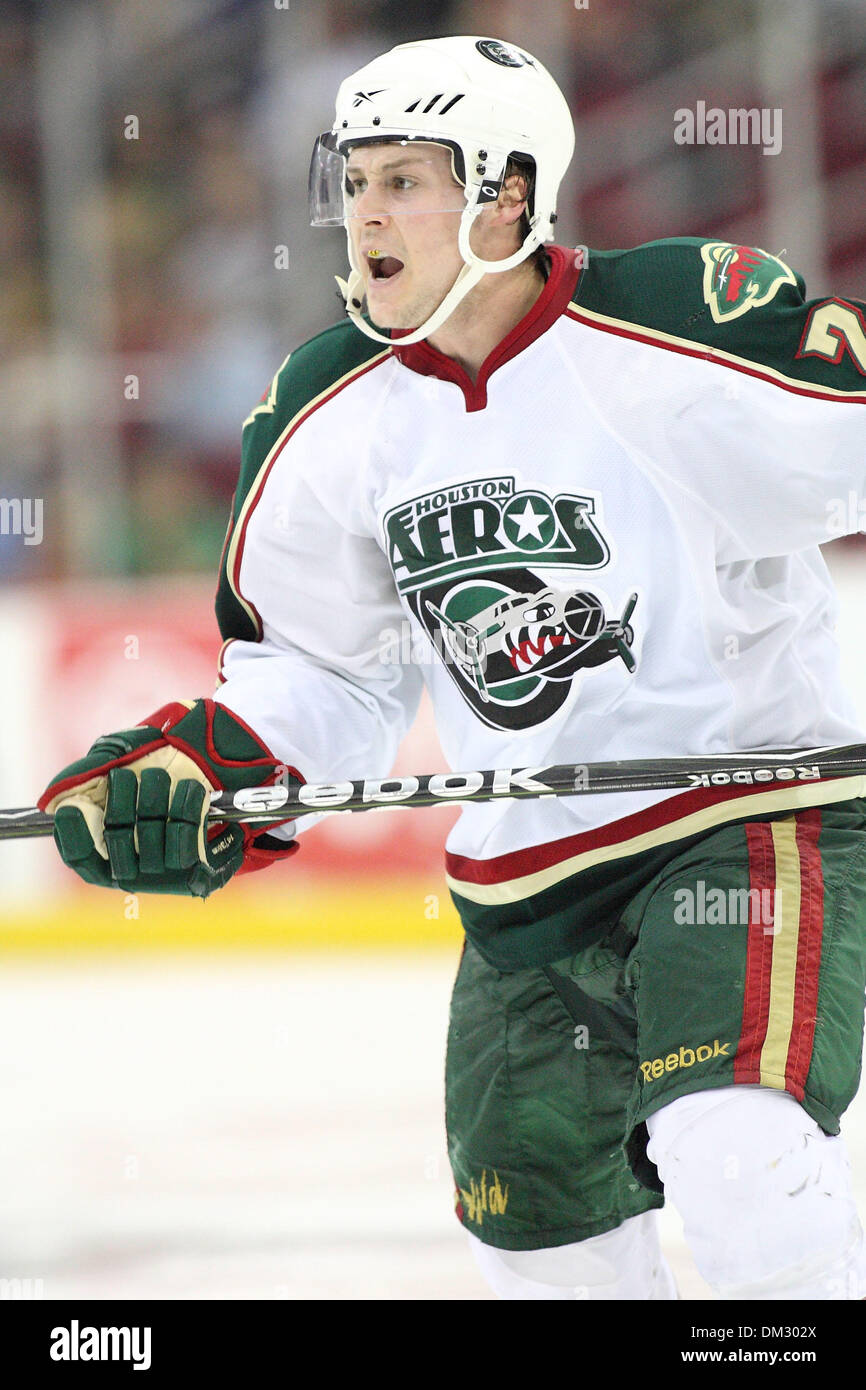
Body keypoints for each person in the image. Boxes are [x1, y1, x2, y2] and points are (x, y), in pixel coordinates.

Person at [41, 35, 866, 1301]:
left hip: (744, 820)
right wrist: (214, 768)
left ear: (509, 196)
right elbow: (319, 667)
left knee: (743, 1162)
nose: (364, 212)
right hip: (528, 879)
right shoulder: (328, 409)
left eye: (406, 180)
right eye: (354, 180)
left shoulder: (671, 318)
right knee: (538, 1259)